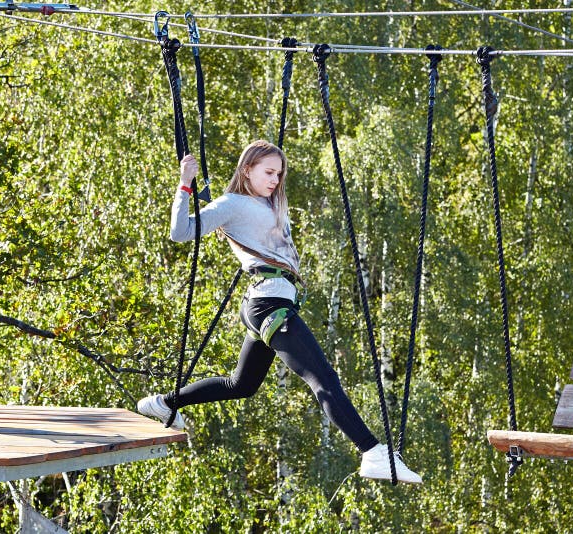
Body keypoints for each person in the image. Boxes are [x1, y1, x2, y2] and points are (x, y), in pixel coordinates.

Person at [138, 140, 422, 483]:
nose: (276, 180)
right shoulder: (233, 204)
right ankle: (372, 452)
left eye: (279, 174)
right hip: (268, 304)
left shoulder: (265, 203)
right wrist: (185, 183)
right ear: (248, 170)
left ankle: (166, 403)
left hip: (269, 302)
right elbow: (181, 232)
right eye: (269, 172)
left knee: (240, 384)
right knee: (324, 380)